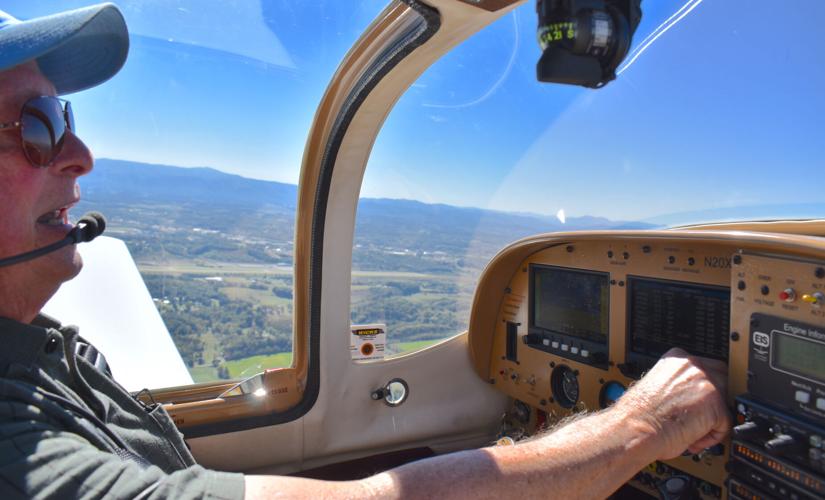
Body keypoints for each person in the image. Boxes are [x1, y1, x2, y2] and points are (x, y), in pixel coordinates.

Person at [0, 3, 731, 499]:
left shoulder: (40, 352)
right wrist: (641, 425)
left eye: (64, 116)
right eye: (35, 127)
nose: (80, 155)